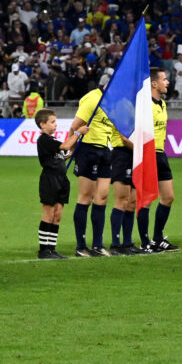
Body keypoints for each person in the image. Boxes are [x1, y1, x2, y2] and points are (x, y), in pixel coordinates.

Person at [61, 67, 120, 257]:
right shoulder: (92, 98)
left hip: (105, 150)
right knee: (85, 197)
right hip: (88, 150)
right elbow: (75, 126)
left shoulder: (114, 102)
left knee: (102, 197)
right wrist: (72, 148)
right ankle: (81, 246)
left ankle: (97, 245)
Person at [140, 68, 177, 251]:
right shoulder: (144, 105)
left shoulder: (162, 103)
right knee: (147, 200)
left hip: (161, 154)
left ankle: (157, 238)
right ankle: (145, 241)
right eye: (164, 79)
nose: (167, 82)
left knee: (168, 197)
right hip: (148, 154)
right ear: (154, 83)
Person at [33, 108, 70, 259]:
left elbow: (62, 154)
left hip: (61, 179)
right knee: (48, 214)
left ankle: (52, 249)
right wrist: (78, 133)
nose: (56, 125)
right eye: (52, 122)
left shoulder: (52, 140)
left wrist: (68, 155)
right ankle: (44, 250)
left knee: (57, 215)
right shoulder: (44, 139)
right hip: (50, 180)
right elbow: (65, 146)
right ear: (42, 124)